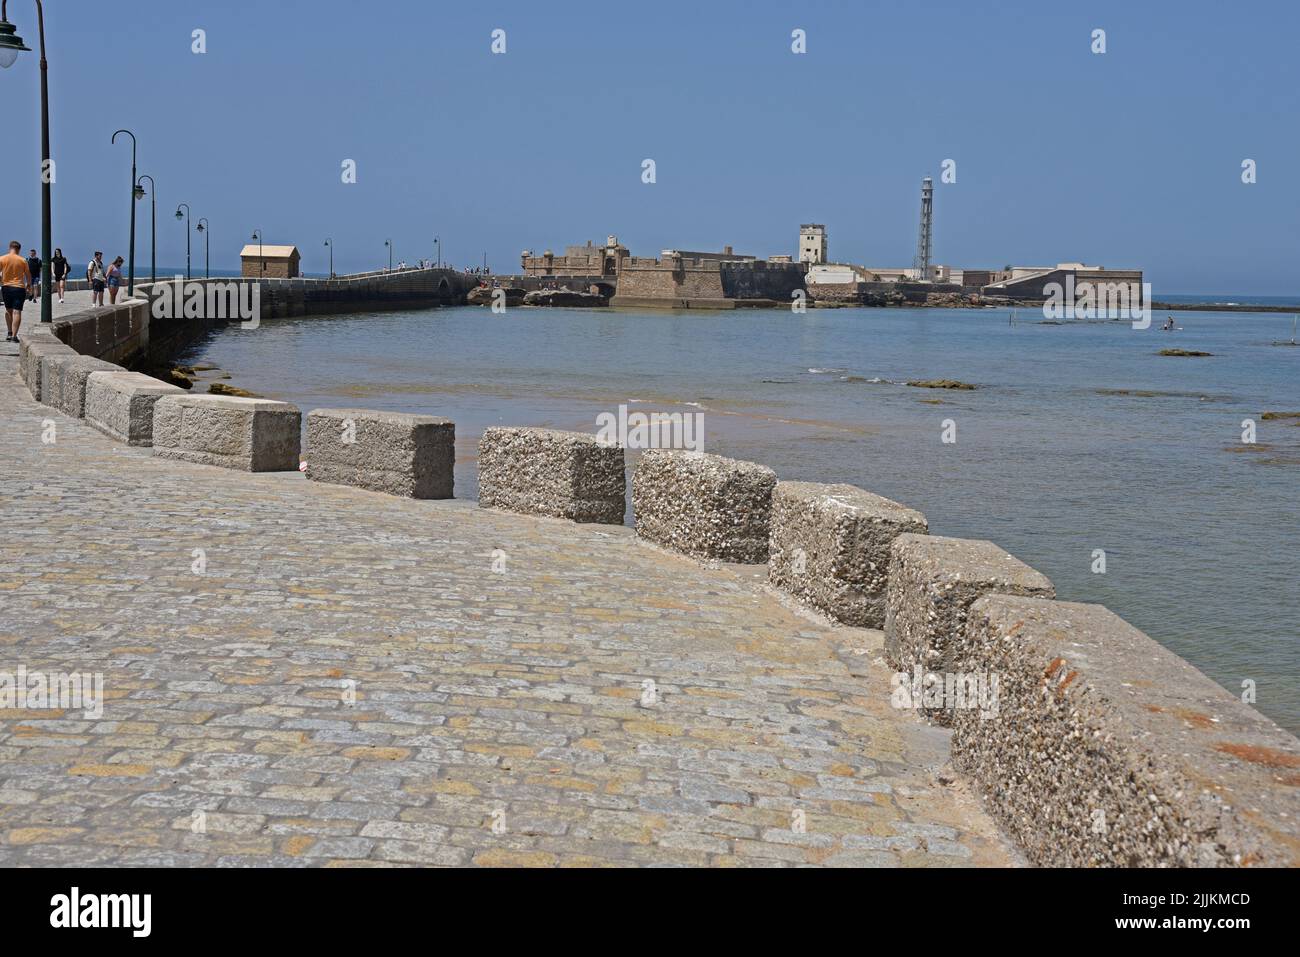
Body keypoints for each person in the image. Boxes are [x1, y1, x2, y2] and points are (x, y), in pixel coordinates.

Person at [2, 240, 32, 342]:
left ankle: (9, 332)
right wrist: (29, 285)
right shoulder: (22, 260)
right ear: (18, 249)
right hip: (19, 288)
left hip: (6, 287)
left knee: (8, 310)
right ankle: (14, 336)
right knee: (17, 312)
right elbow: (28, 274)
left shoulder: (2, 258)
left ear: (10, 247)